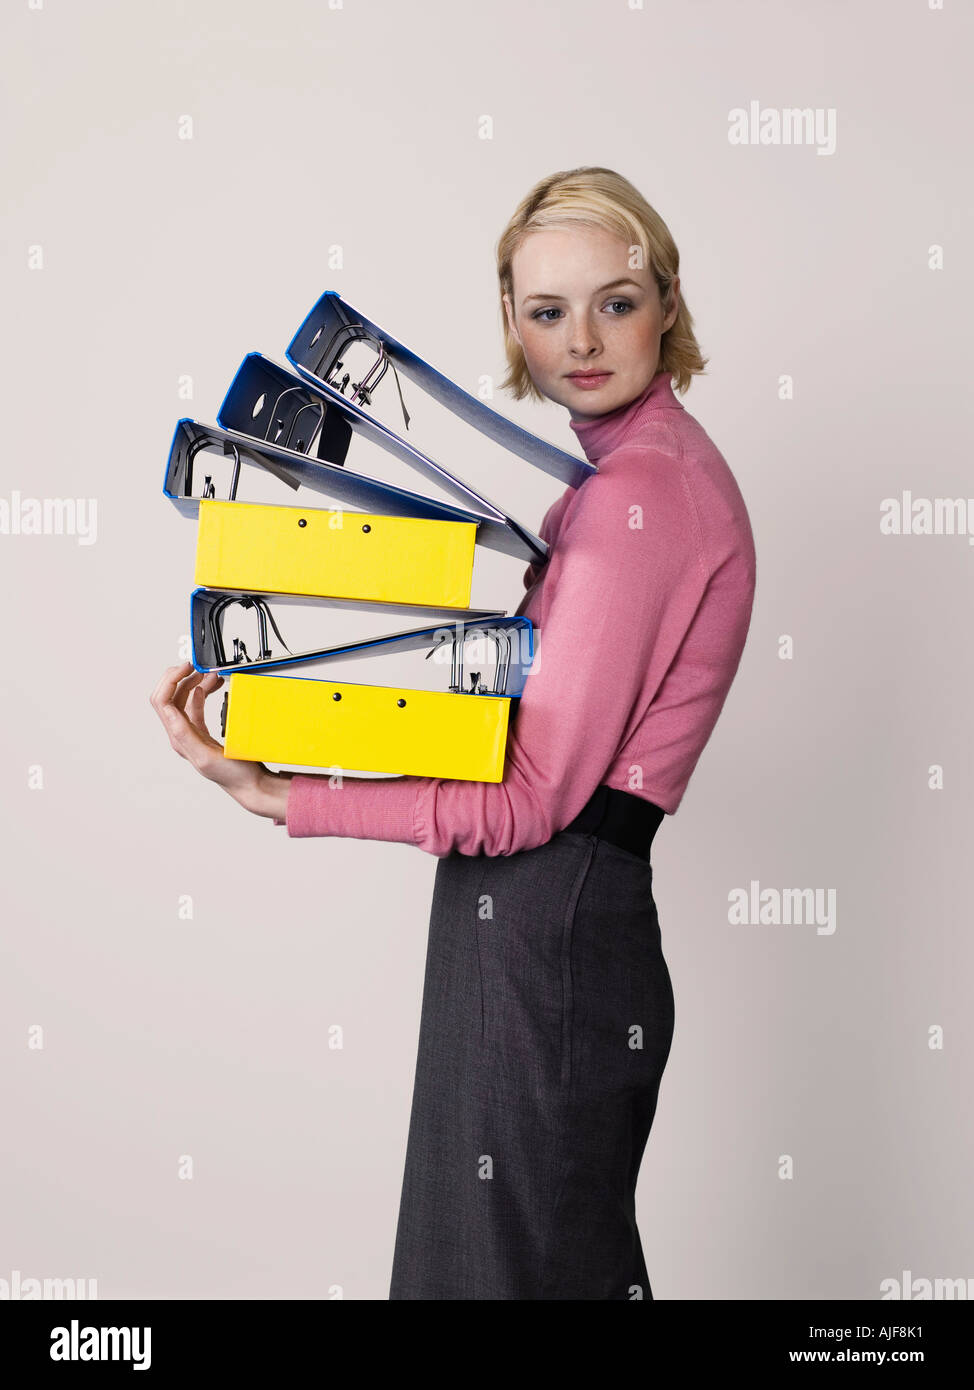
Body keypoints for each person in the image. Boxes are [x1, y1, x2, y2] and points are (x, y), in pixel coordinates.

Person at [151, 166, 757, 1300]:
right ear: (510, 324)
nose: (578, 338)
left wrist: (285, 794)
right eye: (543, 311)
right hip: (544, 924)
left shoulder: (644, 502)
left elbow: (530, 797)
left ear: (667, 304)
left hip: (548, 926)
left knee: (497, 1278)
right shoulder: (617, 481)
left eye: (614, 301)